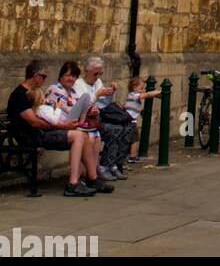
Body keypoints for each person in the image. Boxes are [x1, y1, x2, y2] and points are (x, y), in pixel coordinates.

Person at [5, 59, 113, 197]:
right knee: (79, 135)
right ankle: (72, 184)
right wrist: (62, 126)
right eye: (43, 77)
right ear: (35, 75)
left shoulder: (33, 92)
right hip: (31, 135)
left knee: (84, 135)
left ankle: (92, 178)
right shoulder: (20, 95)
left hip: (43, 131)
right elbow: (34, 122)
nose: (44, 80)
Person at [75, 56, 128, 179]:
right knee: (113, 129)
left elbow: (102, 104)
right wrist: (97, 94)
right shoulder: (79, 84)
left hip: (97, 118)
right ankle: (104, 166)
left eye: (100, 73)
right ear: (87, 71)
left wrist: (110, 93)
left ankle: (113, 164)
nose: (98, 76)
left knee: (125, 128)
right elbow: (81, 106)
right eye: (95, 73)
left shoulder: (97, 82)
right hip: (85, 121)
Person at [124, 76, 161, 163]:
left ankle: (129, 155)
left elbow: (134, 106)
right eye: (141, 88)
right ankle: (132, 157)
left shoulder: (131, 95)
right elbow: (147, 95)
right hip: (130, 121)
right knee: (134, 139)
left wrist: (141, 111)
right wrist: (157, 92)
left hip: (129, 120)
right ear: (134, 87)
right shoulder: (134, 95)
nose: (142, 90)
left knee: (130, 138)